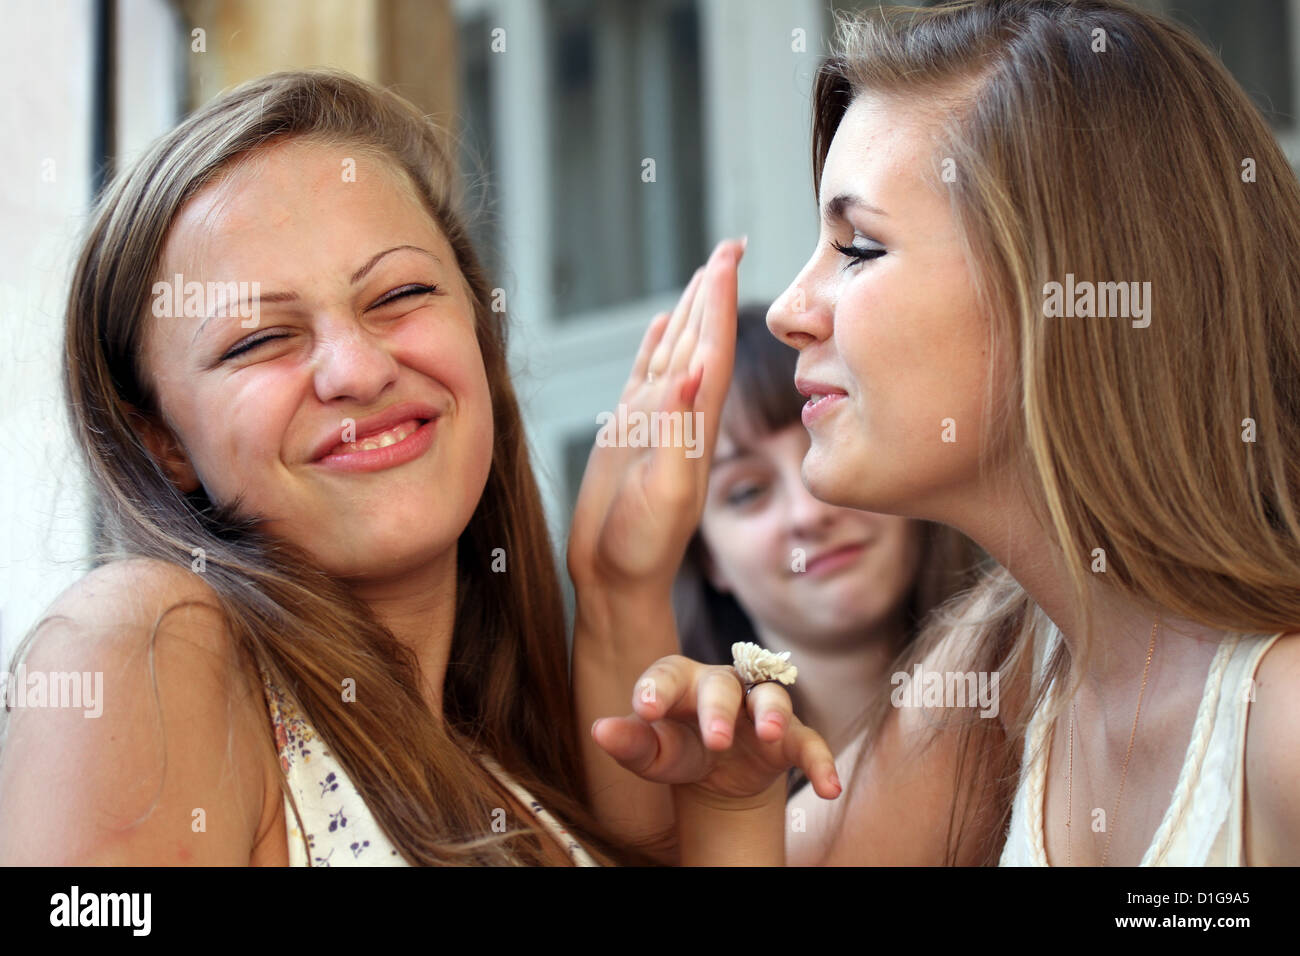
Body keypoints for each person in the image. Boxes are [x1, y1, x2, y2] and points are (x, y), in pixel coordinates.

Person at [0, 69, 836, 866]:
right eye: (259, 339)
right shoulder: (146, 635)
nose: (357, 370)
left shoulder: (508, 775)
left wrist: (626, 597)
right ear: (163, 442)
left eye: (399, 295)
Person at [590, 0, 1300, 867]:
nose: (787, 312)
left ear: (1062, 288)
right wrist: (620, 590)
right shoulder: (1005, 666)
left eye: (857, 249)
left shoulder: (1281, 724)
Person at [675, 304, 985, 759]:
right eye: (747, 491)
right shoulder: (687, 788)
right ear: (708, 558)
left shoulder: (1049, 712)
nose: (808, 513)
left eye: (830, 447)